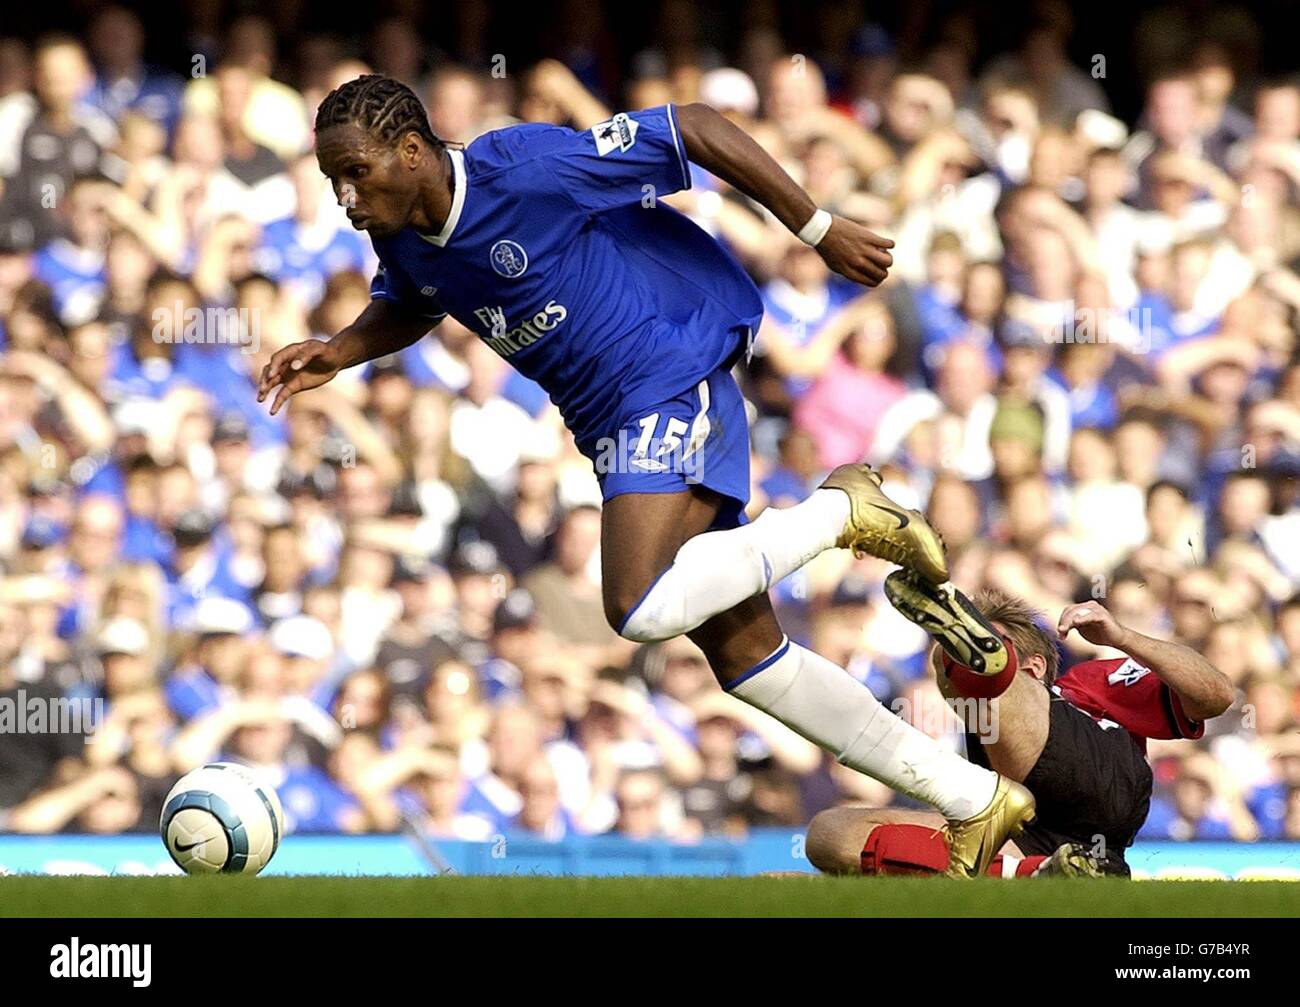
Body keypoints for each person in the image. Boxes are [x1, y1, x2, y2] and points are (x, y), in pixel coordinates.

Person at [257, 74, 1026, 876]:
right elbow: (418, 298)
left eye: (357, 172)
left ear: (411, 151)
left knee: (637, 603)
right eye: (332, 179)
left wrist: (818, 227)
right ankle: (970, 797)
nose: (345, 196)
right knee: (747, 659)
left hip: (666, 364)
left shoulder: (522, 167)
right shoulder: (402, 228)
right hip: (609, 419)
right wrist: (339, 351)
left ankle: (840, 512)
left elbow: (691, 126)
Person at [806, 585, 1234, 876]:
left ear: (1034, 666)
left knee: (974, 681)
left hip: (1098, 782)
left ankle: (980, 655)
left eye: (981, 643)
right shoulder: (981, 725)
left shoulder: (1084, 684)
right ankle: (1044, 875)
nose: (954, 661)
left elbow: (1216, 695)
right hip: (1029, 837)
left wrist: (1122, 637)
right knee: (831, 833)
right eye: (967, 643)